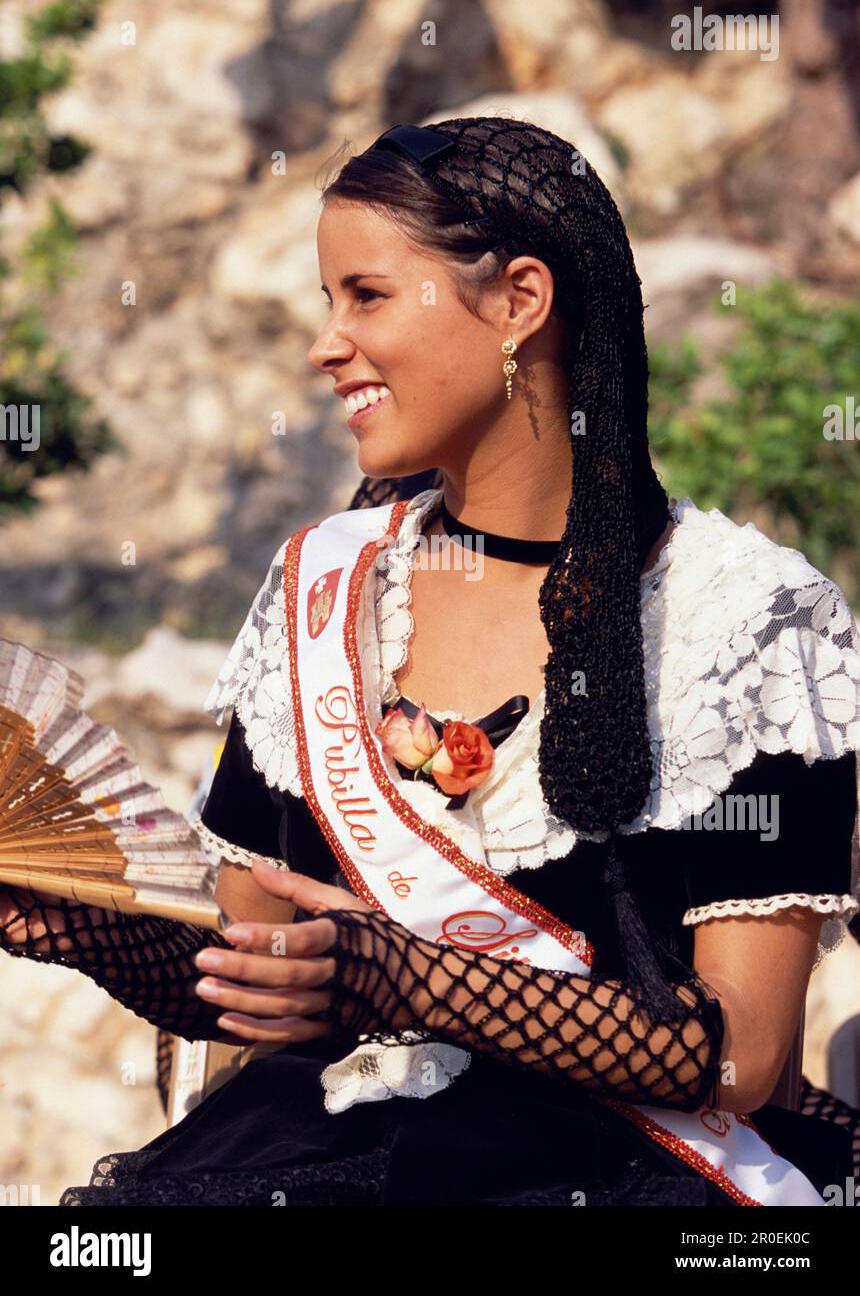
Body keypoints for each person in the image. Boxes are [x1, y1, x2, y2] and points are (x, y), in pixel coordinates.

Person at [2, 118, 858, 1207]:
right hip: (324, 1149)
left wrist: (399, 972)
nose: (324, 342)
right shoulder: (321, 586)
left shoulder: (742, 616)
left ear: (519, 302)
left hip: (622, 1168)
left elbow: (742, 1058)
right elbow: (251, 969)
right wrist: (71, 923)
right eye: (327, 302)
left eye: (364, 295)